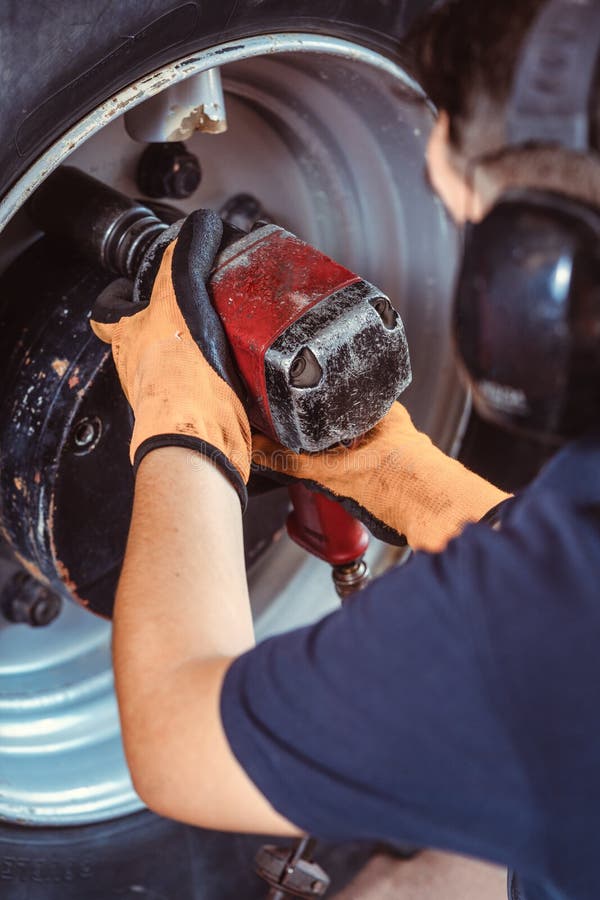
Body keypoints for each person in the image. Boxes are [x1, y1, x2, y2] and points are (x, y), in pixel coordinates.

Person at [90, 1, 600, 898]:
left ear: (545, 292)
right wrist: (405, 478)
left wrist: (181, 418)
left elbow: (176, 739)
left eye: (472, 227)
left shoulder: (544, 633)